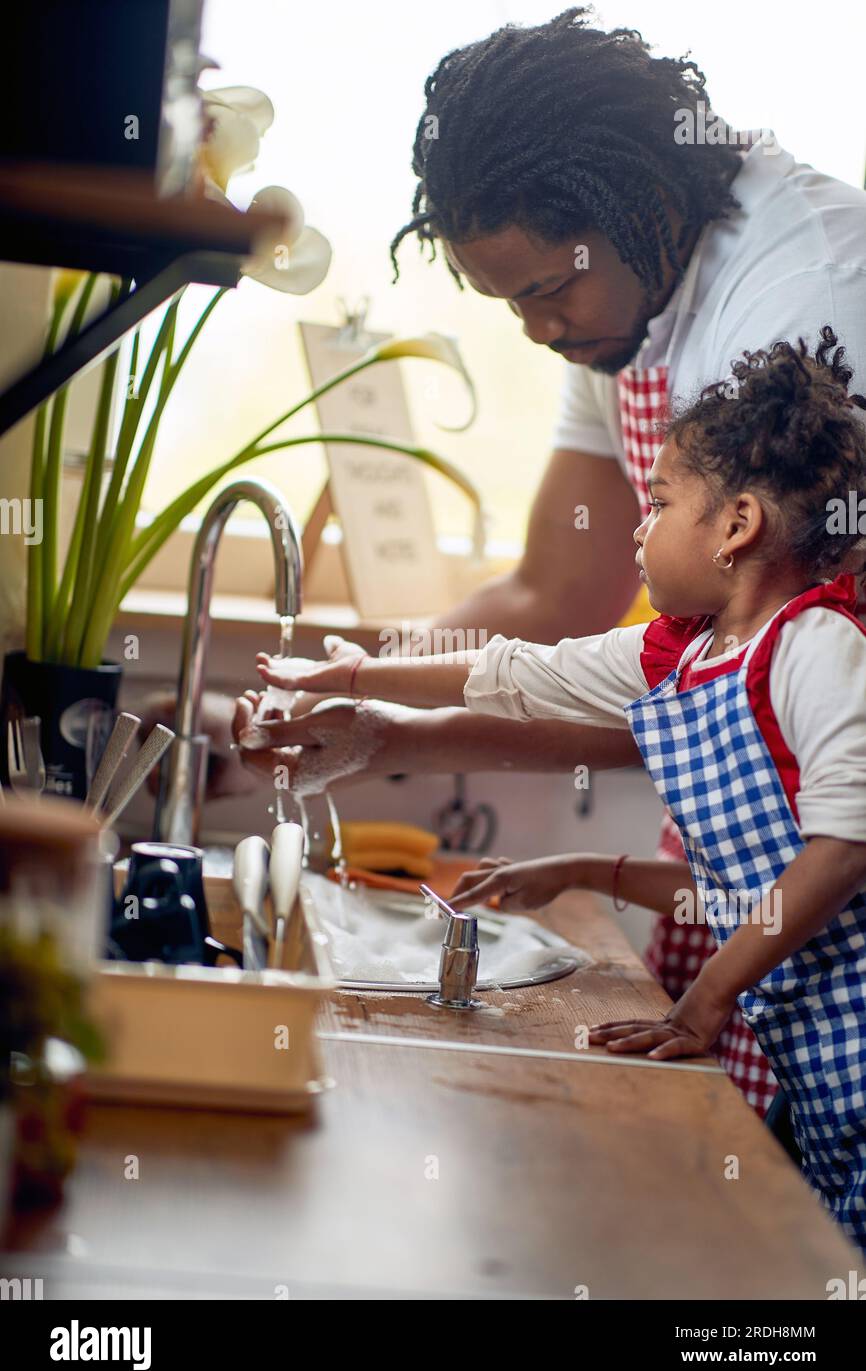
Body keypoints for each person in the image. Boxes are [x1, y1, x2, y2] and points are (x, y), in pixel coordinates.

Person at [218, 8, 866, 1118]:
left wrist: (398, 720)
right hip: (739, 894)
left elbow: (723, 695)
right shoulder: (617, 301)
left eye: (540, 293)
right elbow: (551, 602)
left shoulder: (806, 303)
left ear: (639, 211)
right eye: (508, 299)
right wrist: (359, 701)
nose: (533, 330)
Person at [241, 329, 866, 1249]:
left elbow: (844, 852)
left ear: (735, 526)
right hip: (818, 1063)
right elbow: (511, 672)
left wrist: (710, 997)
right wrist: (353, 678)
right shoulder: (685, 655)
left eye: (657, 505)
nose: (637, 528)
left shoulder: (818, 648)